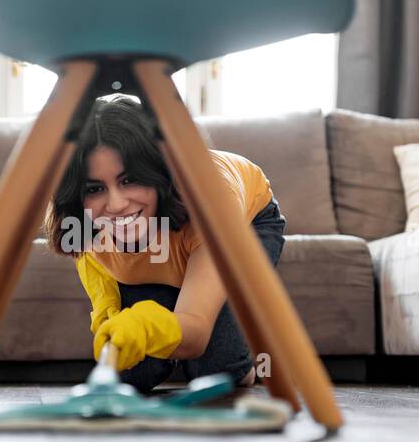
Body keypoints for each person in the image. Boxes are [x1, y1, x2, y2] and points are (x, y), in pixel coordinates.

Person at [43, 95, 286, 394]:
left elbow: (194, 333)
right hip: (170, 239)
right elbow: (92, 264)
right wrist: (109, 309)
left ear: (158, 173)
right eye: (95, 188)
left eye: (130, 180)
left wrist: (153, 325)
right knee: (131, 372)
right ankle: (179, 302)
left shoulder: (212, 205)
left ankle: (241, 361)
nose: (116, 204)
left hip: (244, 224)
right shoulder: (83, 219)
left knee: (215, 369)